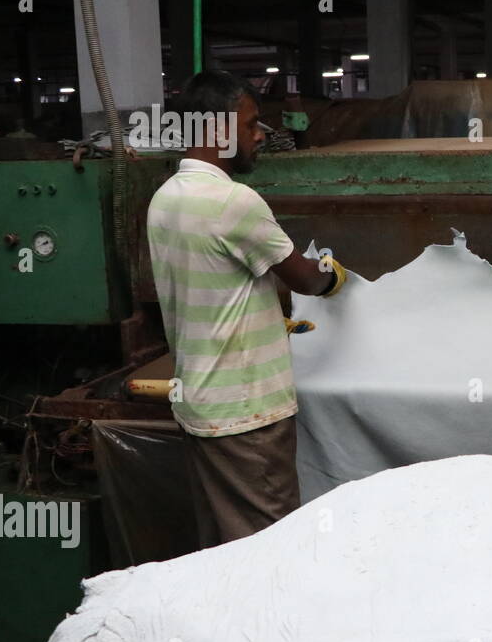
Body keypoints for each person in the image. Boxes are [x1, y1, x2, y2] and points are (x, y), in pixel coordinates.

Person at [147, 70, 348, 548]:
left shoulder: (165, 197)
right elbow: (306, 278)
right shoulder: (233, 201)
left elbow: (211, 281)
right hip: (247, 414)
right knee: (266, 549)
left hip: (198, 402)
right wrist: (333, 274)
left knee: (223, 541)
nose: (262, 136)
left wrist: (260, 319)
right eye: (252, 124)